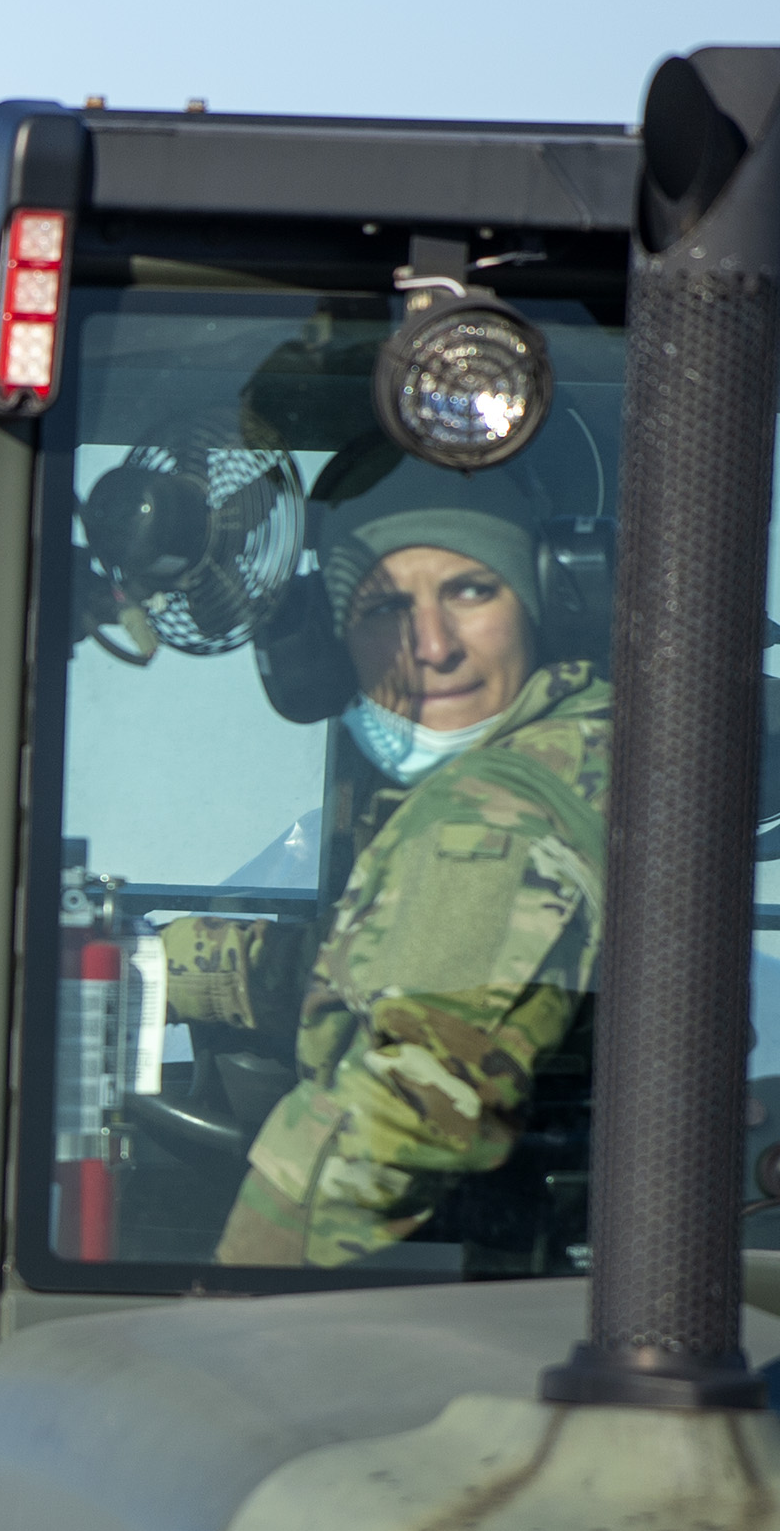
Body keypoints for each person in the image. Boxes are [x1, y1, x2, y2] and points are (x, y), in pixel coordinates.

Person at [212, 468, 610, 1267]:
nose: (432, 647)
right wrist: (202, 965)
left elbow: (412, 1110)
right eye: (386, 609)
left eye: (470, 591)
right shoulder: (582, 753)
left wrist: (230, 1297)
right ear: (335, 645)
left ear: (542, 604)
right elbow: (413, 957)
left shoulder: (488, 811)